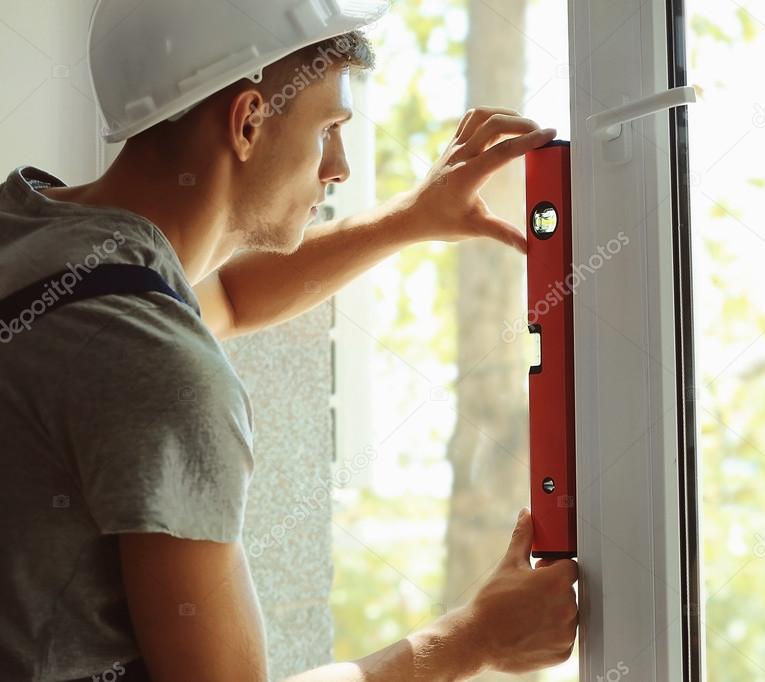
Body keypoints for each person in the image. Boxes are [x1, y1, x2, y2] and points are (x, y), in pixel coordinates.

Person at [0, 1, 578, 680]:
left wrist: (411, 217)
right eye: (329, 127)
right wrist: (471, 639)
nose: (338, 167)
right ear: (248, 122)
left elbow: (226, 300)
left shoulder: (34, 238)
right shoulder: (159, 367)